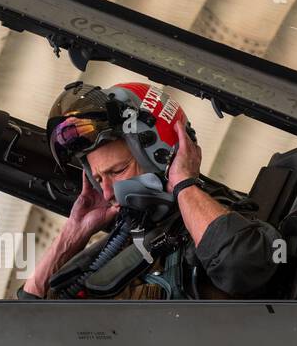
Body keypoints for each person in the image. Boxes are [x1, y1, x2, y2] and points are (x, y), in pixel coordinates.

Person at [19, 81, 281, 300]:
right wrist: (73, 233)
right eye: (99, 178)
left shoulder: (220, 223)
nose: (108, 193)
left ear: (166, 153)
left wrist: (183, 184)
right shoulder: (127, 241)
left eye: (118, 170)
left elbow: (241, 265)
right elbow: (22, 323)